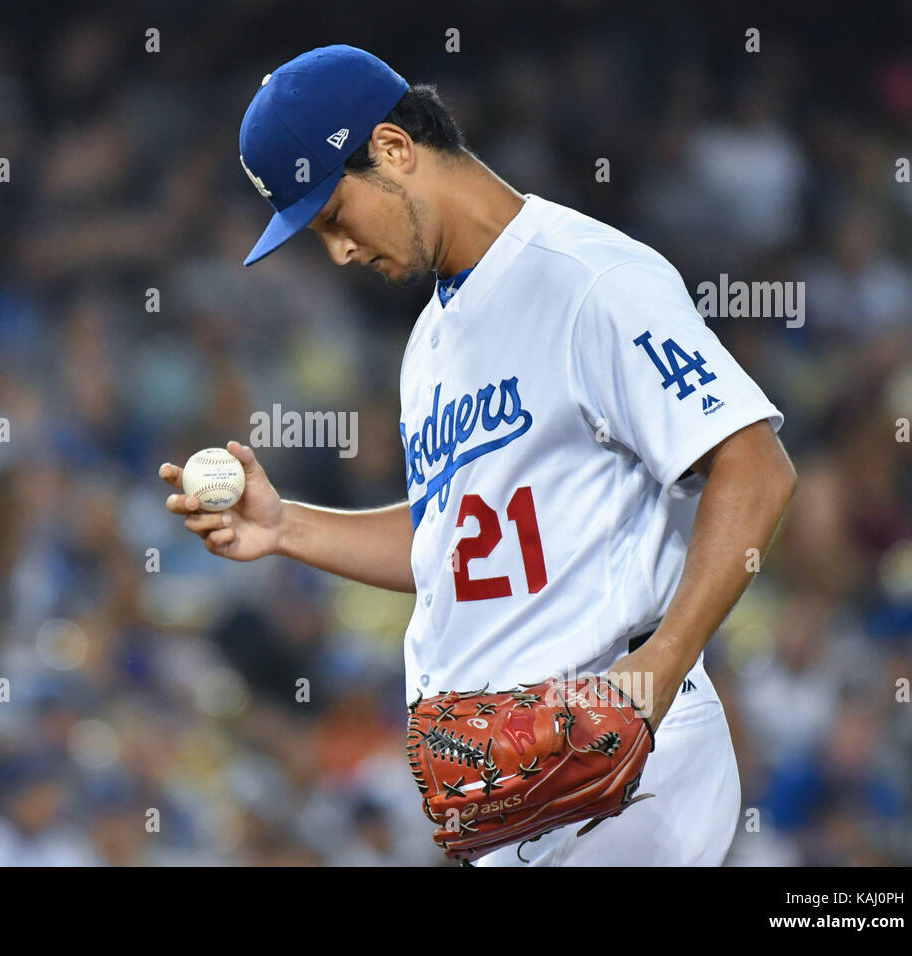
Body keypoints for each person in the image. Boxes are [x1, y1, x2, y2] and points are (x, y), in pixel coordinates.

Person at [160, 45, 796, 866]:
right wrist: (288, 529)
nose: (339, 252)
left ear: (392, 149)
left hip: (621, 759)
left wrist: (659, 673)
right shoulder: (428, 342)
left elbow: (756, 465)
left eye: (332, 216)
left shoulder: (591, 279)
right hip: (509, 779)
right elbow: (457, 544)